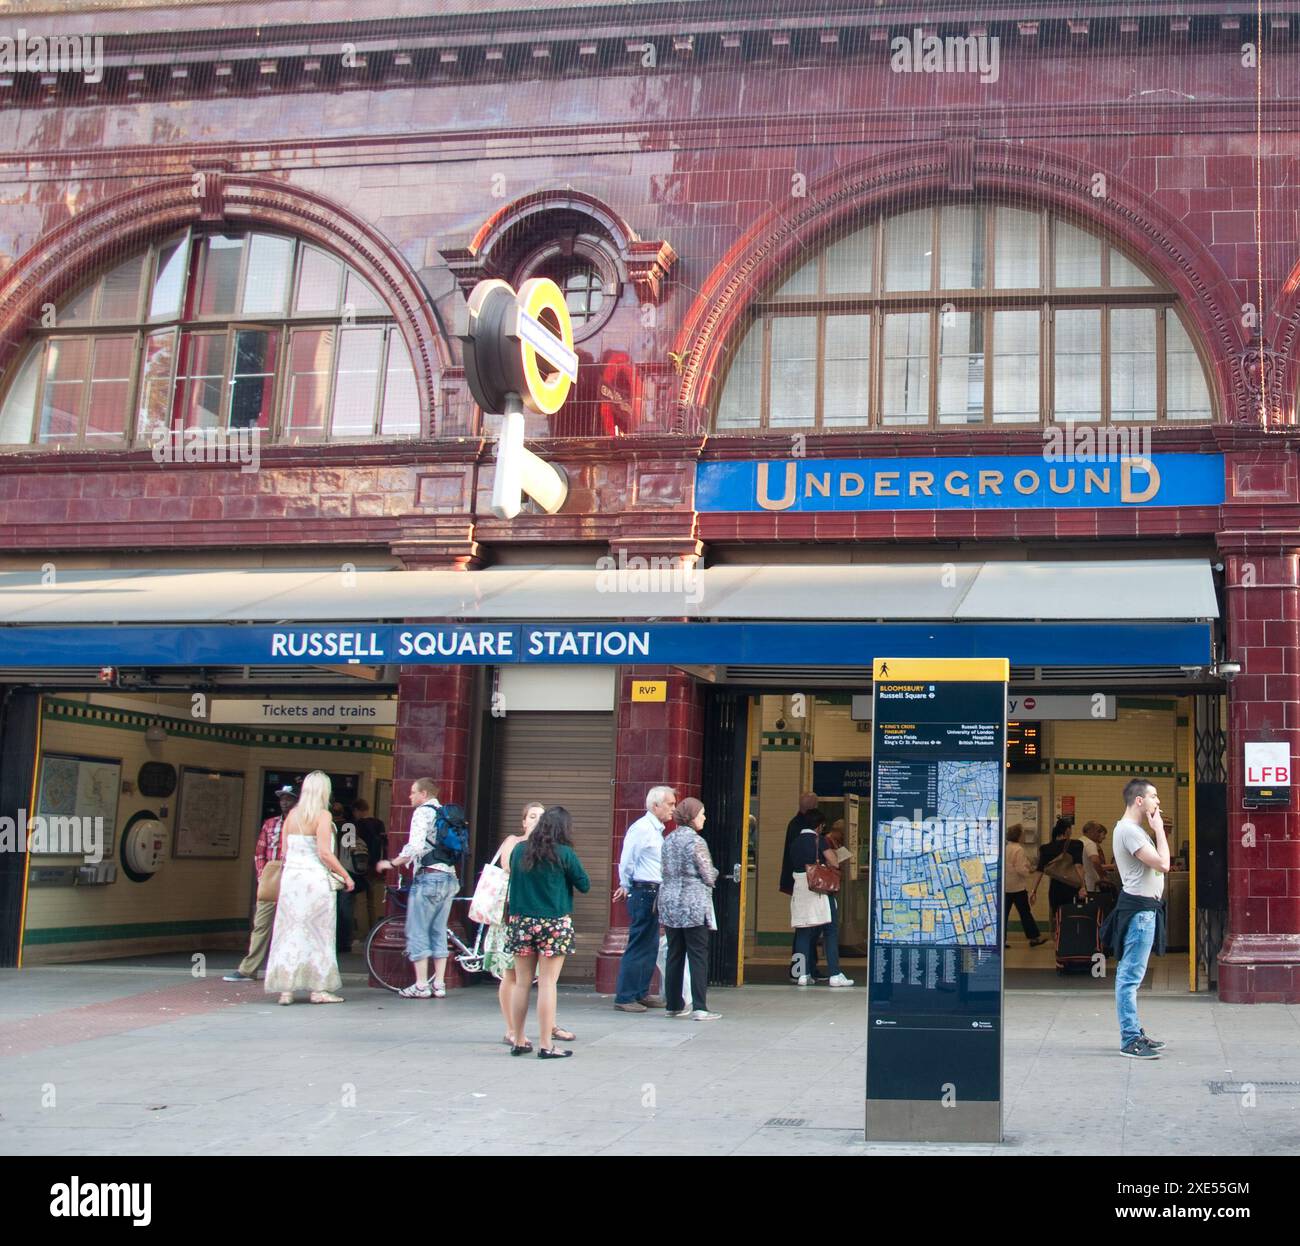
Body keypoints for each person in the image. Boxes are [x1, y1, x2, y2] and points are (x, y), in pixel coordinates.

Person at [486, 801, 576, 1047]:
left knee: (528, 981)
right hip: (527, 919)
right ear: (524, 821)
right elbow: (583, 882)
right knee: (521, 978)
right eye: (532, 816)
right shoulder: (516, 845)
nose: (537, 820)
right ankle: (521, 1034)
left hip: (521, 921)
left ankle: (528, 1036)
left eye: (541, 816)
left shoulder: (536, 850)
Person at [506, 806, 591, 1059]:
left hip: (521, 922)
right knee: (547, 983)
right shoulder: (565, 853)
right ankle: (545, 1044)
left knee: (522, 983)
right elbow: (584, 884)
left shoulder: (519, 850)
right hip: (554, 923)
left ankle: (519, 1039)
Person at [264, 770, 354, 1005]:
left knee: (289, 932)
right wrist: (345, 875)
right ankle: (318, 989)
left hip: (291, 881)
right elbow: (324, 852)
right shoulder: (323, 816)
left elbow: (284, 852)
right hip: (314, 881)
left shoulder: (291, 816)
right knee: (318, 934)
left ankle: (286, 990)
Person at [1101, 779, 1170, 1059]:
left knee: (1131, 976)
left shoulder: (1132, 831)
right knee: (1129, 978)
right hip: (1140, 913)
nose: (1158, 802)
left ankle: (1135, 1033)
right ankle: (1130, 1039)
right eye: (1154, 796)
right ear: (1139, 800)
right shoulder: (1130, 831)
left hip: (1144, 910)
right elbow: (1164, 864)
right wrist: (1160, 830)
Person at [376, 777, 459, 999]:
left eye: (413, 792)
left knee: (417, 929)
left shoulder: (423, 812)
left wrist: (392, 863)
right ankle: (439, 984)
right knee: (439, 930)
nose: (410, 796)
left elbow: (415, 846)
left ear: (424, 794)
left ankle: (421, 985)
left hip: (429, 878)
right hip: (449, 878)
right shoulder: (444, 813)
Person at [612, 785, 676, 1012]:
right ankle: (625, 995)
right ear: (655, 805)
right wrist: (625, 884)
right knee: (639, 943)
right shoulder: (641, 829)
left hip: (654, 891)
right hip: (643, 891)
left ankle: (640, 992)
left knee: (650, 944)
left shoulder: (656, 830)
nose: (673, 809)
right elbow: (627, 858)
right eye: (670, 804)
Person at [224, 785, 296, 982]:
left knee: (292, 926)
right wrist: (262, 876)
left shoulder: (302, 824)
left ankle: (285, 969)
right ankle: (248, 969)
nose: (284, 802)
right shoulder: (270, 824)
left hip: (294, 876)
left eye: (289, 798)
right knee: (261, 924)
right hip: (273, 874)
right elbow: (259, 852)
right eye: (282, 798)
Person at [659, 797, 721, 1021]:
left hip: (669, 902)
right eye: (701, 813)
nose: (704, 817)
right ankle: (700, 1007)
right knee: (697, 955)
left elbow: (664, 870)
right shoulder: (696, 841)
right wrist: (714, 874)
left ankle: (673, 1004)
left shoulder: (669, 839)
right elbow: (707, 873)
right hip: (693, 903)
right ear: (692, 816)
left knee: (675, 953)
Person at [788, 810, 853, 988]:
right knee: (830, 931)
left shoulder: (795, 842)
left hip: (800, 889)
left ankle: (802, 974)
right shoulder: (819, 840)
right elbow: (834, 862)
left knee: (803, 931)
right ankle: (835, 974)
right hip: (819, 890)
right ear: (819, 826)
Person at [1033, 816, 1086, 933]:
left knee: (1057, 915)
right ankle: (1071, 940)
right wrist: (1083, 886)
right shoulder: (1076, 844)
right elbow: (1078, 866)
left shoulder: (1045, 848)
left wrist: (1034, 891)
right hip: (1072, 887)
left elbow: (1040, 870)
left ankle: (1058, 939)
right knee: (1073, 915)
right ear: (1067, 830)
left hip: (1055, 888)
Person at [1004, 824, 1047, 948]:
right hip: (1017, 887)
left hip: (1005, 887)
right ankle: (1034, 937)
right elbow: (1020, 868)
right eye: (1022, 834)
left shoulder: (1006, 847)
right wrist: (1030, 871)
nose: (1024, 836)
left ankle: (1001, 940)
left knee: (1003, 915)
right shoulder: (1019, 849)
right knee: (1025, 913)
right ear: (1018, 835)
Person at [350, 798, 386, 932]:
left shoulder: (357, 825)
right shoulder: (379, 823)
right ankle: (373, 930)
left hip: (359, 866)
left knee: (359, 901)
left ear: (356, 811)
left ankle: (361, 932)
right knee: (372, 901)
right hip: (374, 865)